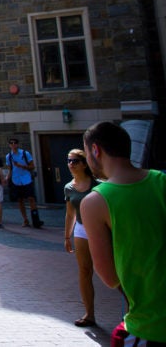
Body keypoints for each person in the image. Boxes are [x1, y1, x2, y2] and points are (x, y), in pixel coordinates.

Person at [81, 121, 166, 344]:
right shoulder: (162, 180)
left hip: (149, 327)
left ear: (95, 150)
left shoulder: (95, 201)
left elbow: (108, 275)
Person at [62, 148, 97, 328]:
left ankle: (131, 308)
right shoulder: (69, 187)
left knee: (114, 270)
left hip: (99, 229)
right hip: (81, 229)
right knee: (84, 271)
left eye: (75, 161)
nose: (70, 164)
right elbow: (70, 214)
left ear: (84, 164)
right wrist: (67, 236)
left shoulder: (97, 184)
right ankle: (89, 314)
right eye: (69, 161)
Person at [6, 138, 42, 228]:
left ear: (18, 144)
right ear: (9, 145)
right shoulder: (9, 156)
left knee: (31, 199)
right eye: (11, 143)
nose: (13, 145)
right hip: (16, 180)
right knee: (20, 200)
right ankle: (25, 220)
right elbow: (10, 170)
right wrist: (7, 178)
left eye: (15, 143)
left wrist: (21, 166)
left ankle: (35, 220)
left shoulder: (25, 154)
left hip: (26, 179)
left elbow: (32, 166)